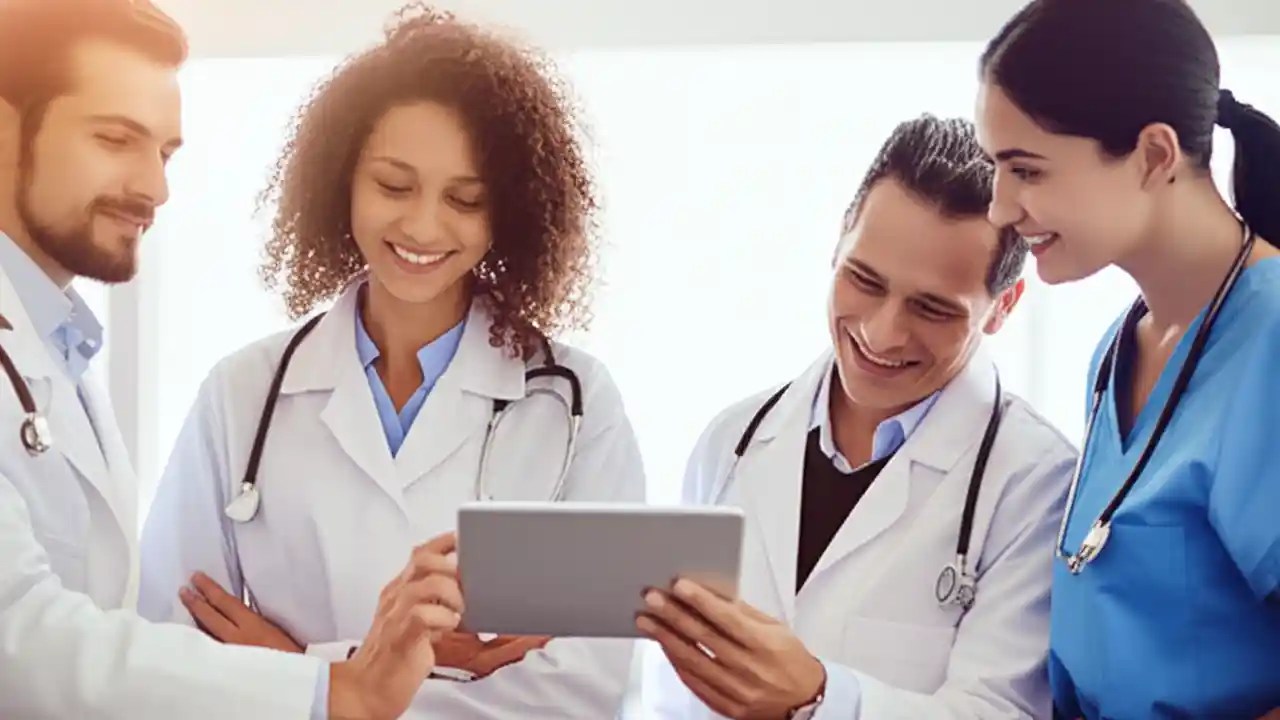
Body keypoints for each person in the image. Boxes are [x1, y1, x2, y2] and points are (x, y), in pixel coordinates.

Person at [136, 5, 646, 718]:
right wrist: (411, 670)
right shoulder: (243, 393)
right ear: (342, 180)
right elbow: (175, 649)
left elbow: (583, 686)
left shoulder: (576, 405)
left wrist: (304, 675)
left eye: (465, 199)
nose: (423, 226)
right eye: (393, 186)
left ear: (507, 213)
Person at [0, 1, 468, 719]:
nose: (155, 189)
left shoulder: (55, 343)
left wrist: (333, 672)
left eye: (164, 153)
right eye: (115, 139)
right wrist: (335, 691)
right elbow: (19, 636)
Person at [640, 115, 1077, 719]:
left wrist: (820, 698)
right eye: (864, 280)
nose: (882, 333)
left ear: (1002, 307)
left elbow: (1002, 712)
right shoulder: (734, 441)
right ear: (839, 239)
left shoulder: (1035, 484)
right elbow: (670, 694)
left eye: (932, 309)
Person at [975, 0, 1280, 717]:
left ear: (1153, 156)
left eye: (1027, 170)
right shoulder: (1119, 352)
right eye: (996, 169)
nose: (999, 208)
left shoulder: (1268, 345)